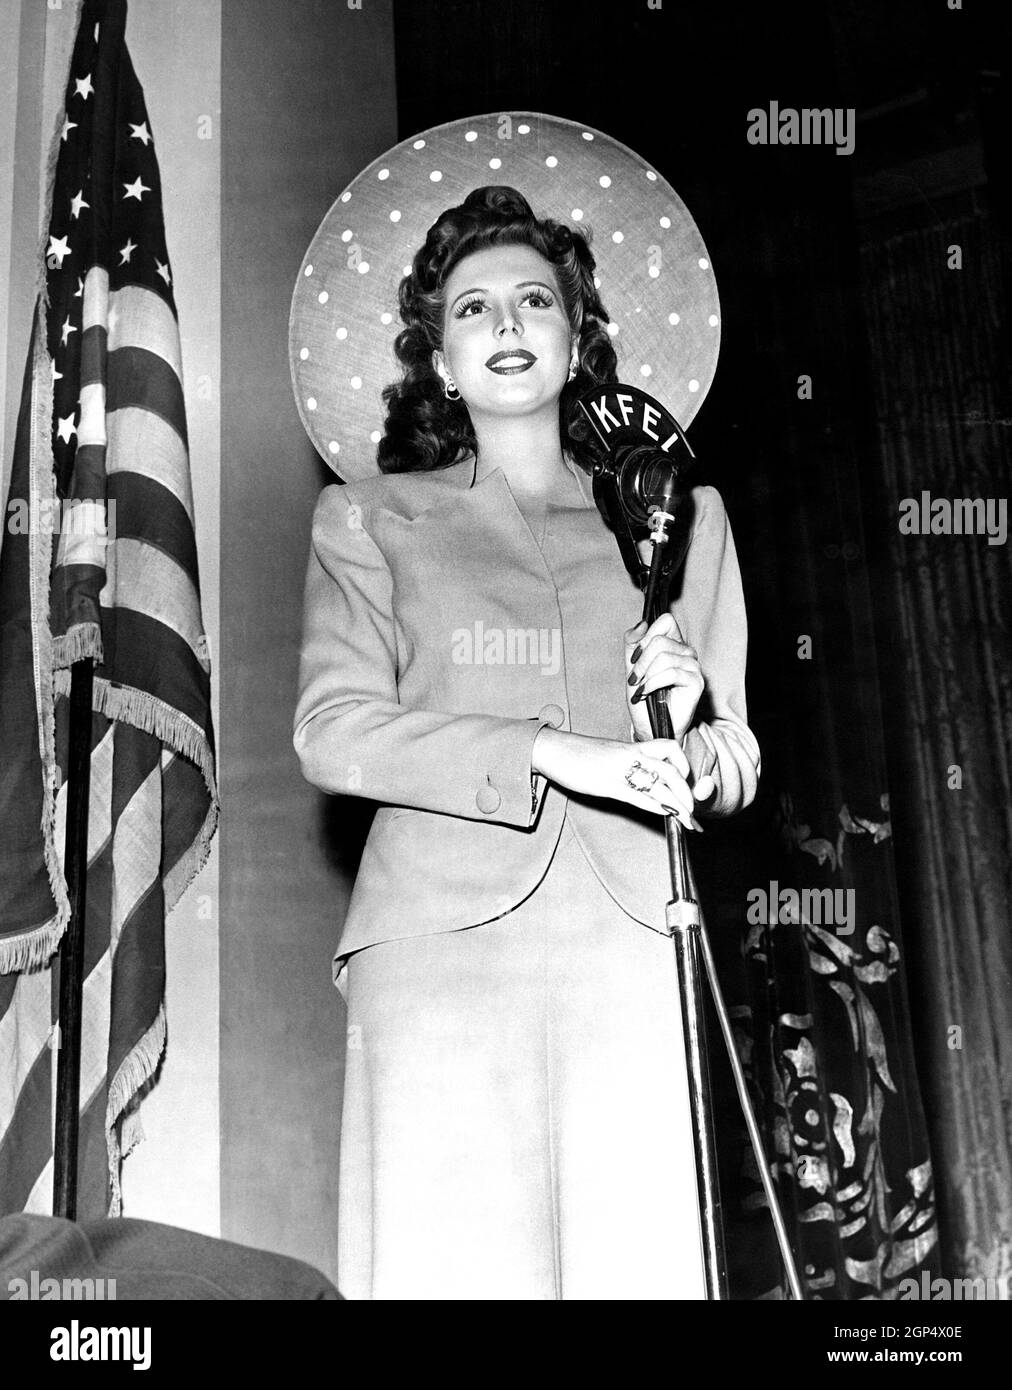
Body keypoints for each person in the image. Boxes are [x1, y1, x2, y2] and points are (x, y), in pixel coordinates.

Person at [293, 185, 760, 1300]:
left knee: (638, 1265)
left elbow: (732, 759)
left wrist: (688, 726)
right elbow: (332, 732)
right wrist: (556, 750)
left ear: (575, 338)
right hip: (437, 941)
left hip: (632, 930)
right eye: (471, 308)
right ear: (440, 360)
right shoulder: (368, 517)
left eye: (534, 300)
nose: (505, 324)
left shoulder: (679, 518)